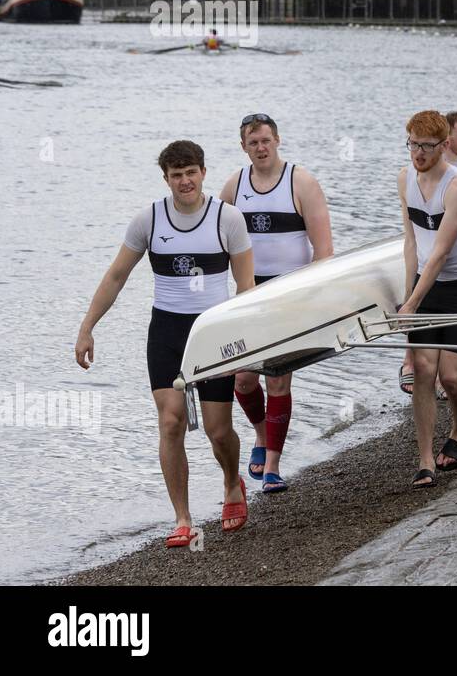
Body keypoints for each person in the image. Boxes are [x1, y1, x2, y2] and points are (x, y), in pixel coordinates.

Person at [76, 140, 253, 547]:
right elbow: (116, 276)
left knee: (217, 429)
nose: (185, 181)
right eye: (177, 175)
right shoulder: (149, 220)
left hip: (215, 332)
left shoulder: (227, 219)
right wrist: (87, 327)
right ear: (166, 179)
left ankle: (231, 484)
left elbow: (246, 286)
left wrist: (245, 347)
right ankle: (183, 518)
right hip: (167, 332)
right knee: (171, 421)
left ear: (203, 173)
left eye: (191, 172)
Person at [220, 113, 334, 493]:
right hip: (250, 295)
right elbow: (216, 237)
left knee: (278, 379)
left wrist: (314, 299)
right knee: (243, 378)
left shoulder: (300, 182)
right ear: (244, 147)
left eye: (266, 140)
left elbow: (324, 250)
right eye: (253, 143)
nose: (261, 148)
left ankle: (273, 467)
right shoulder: (235, 185)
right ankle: (259, 433)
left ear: (277, 140)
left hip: (290, 296)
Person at [396, 110, 457, 486]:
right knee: (422, 373)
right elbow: (412, 244)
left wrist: (413, 304)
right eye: (413, 144)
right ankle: (424, 462)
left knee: (450, 377)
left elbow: (441, 253)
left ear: (444, 146)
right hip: (425, 283)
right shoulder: (405, 179)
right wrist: (407, 297)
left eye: (427, 146)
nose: (418, 153)